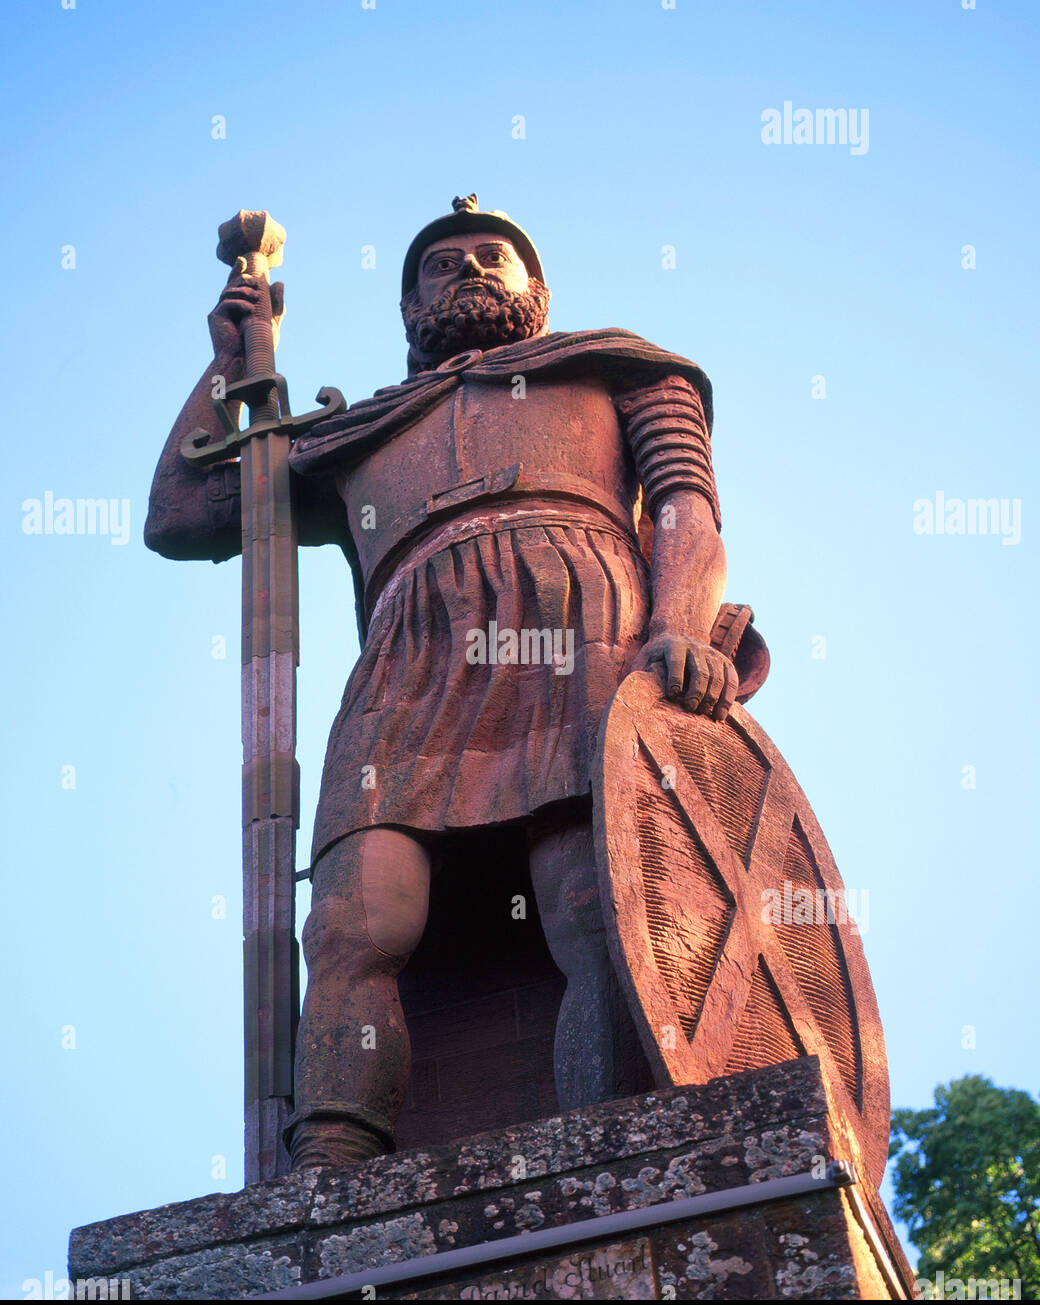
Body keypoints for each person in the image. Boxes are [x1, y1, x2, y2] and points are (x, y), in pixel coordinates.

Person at [145, 196, 740, 1168]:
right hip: (404, 668)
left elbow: (684, 507)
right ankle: (330, 1170)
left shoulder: (618, 368)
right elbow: (184, 514)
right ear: (406, 310)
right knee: (348, 922)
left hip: (578, 629)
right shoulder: (356, 435)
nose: (465, 269)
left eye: (489, 256)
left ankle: (602, 1145)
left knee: (592, 900)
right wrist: (232, 363)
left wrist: (676, 629)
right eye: (437, 264)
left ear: (535, 292)